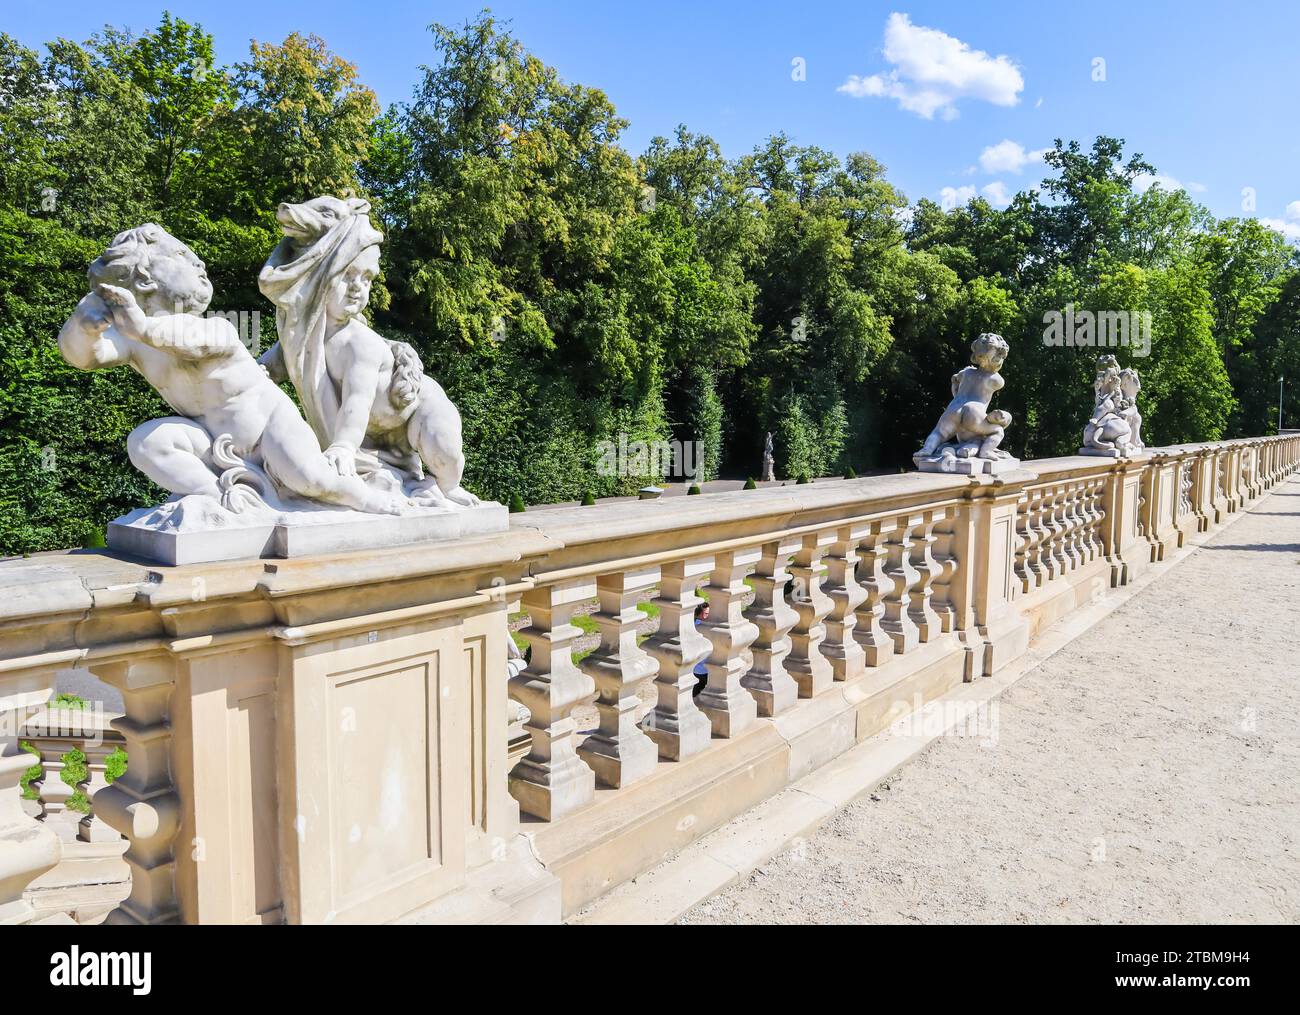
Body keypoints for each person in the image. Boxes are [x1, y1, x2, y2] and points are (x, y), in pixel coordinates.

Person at [692, 602, 711, 695]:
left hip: (698, 668)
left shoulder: (693, 625)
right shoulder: (701, 627)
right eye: (706, 613)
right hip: (702, 669)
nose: (708, 616)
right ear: (699, 613)